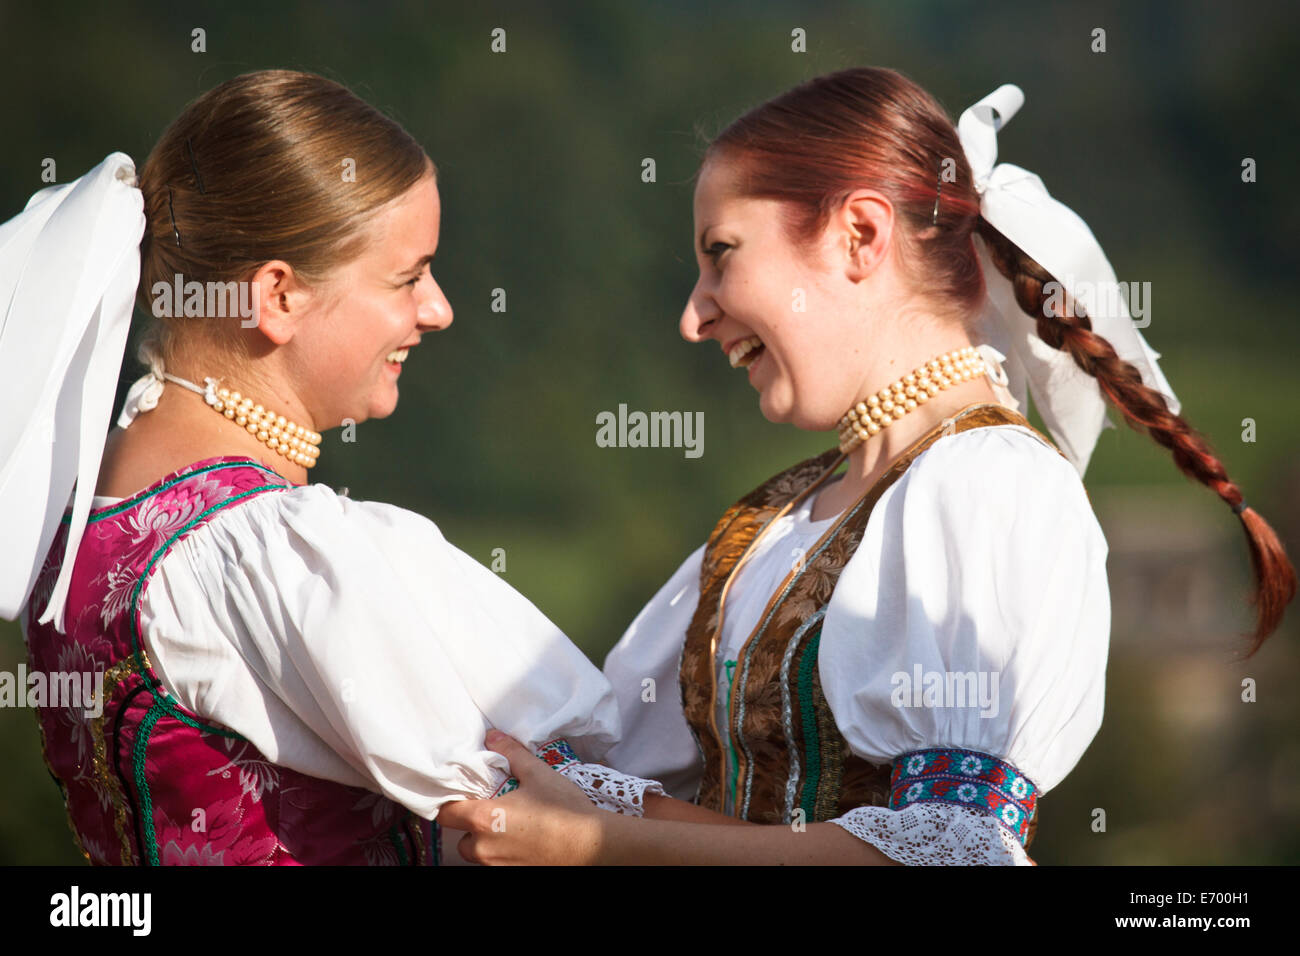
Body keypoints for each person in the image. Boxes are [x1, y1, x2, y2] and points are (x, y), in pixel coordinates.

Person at [438, 66, 1297, 864]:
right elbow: (643, 786)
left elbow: (955, 853)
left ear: (858, 235)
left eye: (721, 254)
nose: (695, 315)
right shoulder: (771, 520)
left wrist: (600, 845)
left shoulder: (993, 488)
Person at [0, 69, 667, 866]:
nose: (438, 309)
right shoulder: (263, 545)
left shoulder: (77, 517)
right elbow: (524, 816)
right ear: (278, 297)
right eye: (407, 277)